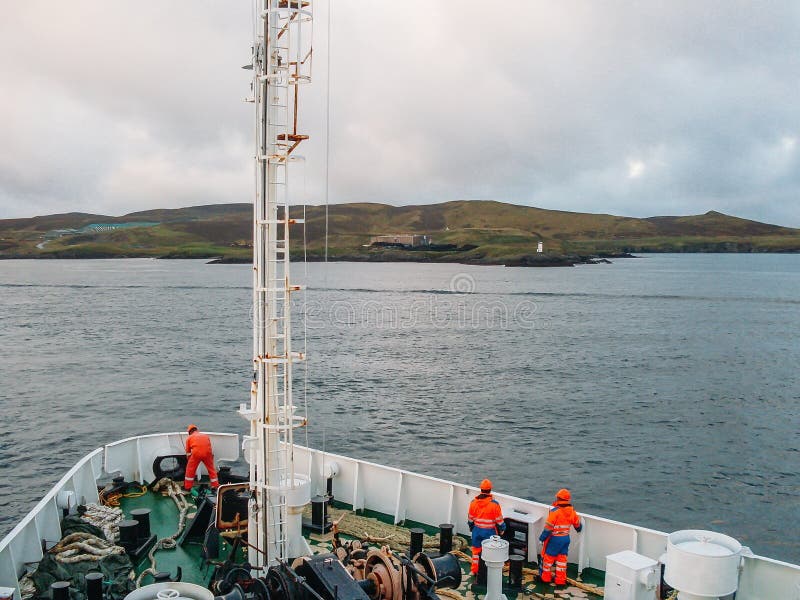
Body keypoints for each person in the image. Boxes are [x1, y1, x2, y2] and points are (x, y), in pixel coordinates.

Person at [538, 488, 583, 585]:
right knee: (562, 559)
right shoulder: (572, 511)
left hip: (554, 539)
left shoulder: (555, 512)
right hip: (566, 539)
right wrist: (579, 529)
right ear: (568, 499)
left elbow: (548, 528)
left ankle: (545, 578)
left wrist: (542, 538)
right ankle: (560, 580)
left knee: (548, 559)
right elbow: (578, 525)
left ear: (558, 498)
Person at [467, 479, 506, 575]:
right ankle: (488, 571)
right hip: (489, 532)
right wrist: (503, 529)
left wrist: (471, 527)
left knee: (476, 551)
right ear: (490, 490)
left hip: (477, 531)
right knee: (490, 551)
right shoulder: (494, 504)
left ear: (481, 489)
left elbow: (470, 519)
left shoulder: (473, 503)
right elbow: (499, 521)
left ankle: (474, 570)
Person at [184, 424, 220, 492]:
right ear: (196, 429)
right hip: (208, 453)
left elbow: (188, 452)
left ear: (190, 432)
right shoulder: (205, 436)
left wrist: (189, 461)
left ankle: (188, 487)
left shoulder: (189, 438)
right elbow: (209, 446)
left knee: (190, 470)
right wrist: (210, 457)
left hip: (196, 454)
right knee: (211, 470)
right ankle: (215, 486)